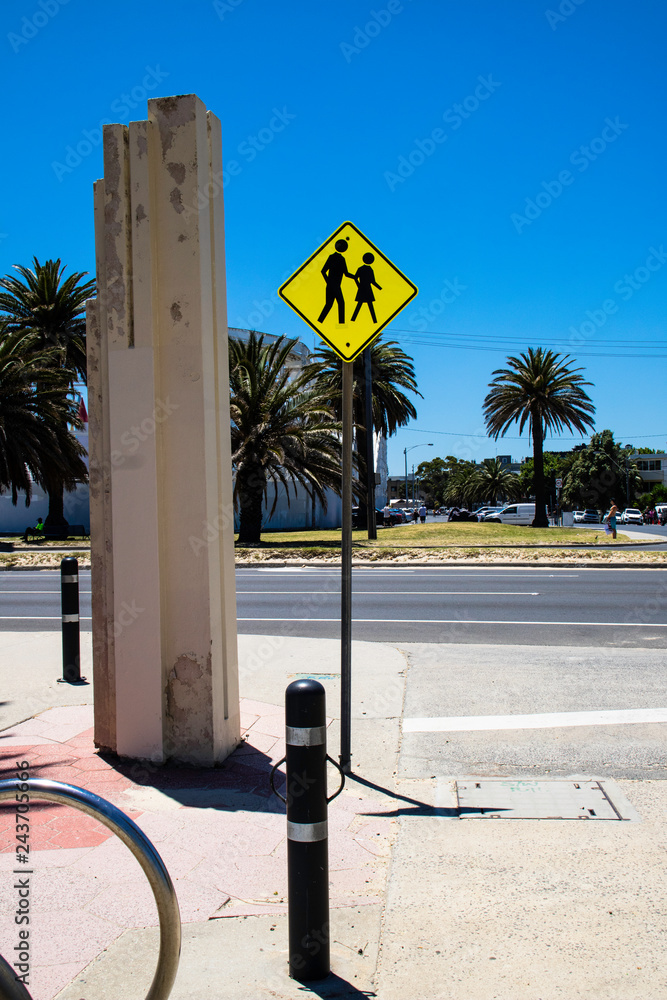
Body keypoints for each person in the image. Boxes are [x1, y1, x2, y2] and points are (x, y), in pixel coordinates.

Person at [317, 238, 354, 324]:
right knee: (340, 303)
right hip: (335, 286)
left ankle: (320, 320)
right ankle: (341, 324)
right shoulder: (336, 258)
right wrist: (329, 282)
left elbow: (346, 273)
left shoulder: (338, 258)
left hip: (333, 285)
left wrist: (355, 277)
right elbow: (323, 271)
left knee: (329, 305)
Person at [351, 252, 382, 323]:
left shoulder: (363, 269)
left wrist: (359, 286)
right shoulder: (369, 270)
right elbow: (373, 281)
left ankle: (373, 321)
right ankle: (374, 321)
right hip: (367, 289)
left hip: (364, 289)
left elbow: (356, 278)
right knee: (365, 305)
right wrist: (380, 288)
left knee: (365, 305)